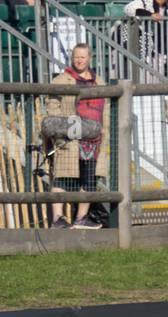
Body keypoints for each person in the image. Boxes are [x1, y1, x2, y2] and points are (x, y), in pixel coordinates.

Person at [46, 44, 110, 229]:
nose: (79, 60)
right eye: (76, 57)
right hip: (69, 138)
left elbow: (105, 111)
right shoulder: (61, 80)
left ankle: (81, 218)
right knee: (61, 177)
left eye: (83, 57)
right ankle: (57, 219)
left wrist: (104, 131)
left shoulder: (99, 82)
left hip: (93, 139)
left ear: (90, 58)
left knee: (89, 178)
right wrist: (61, 128)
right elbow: (52, 106)